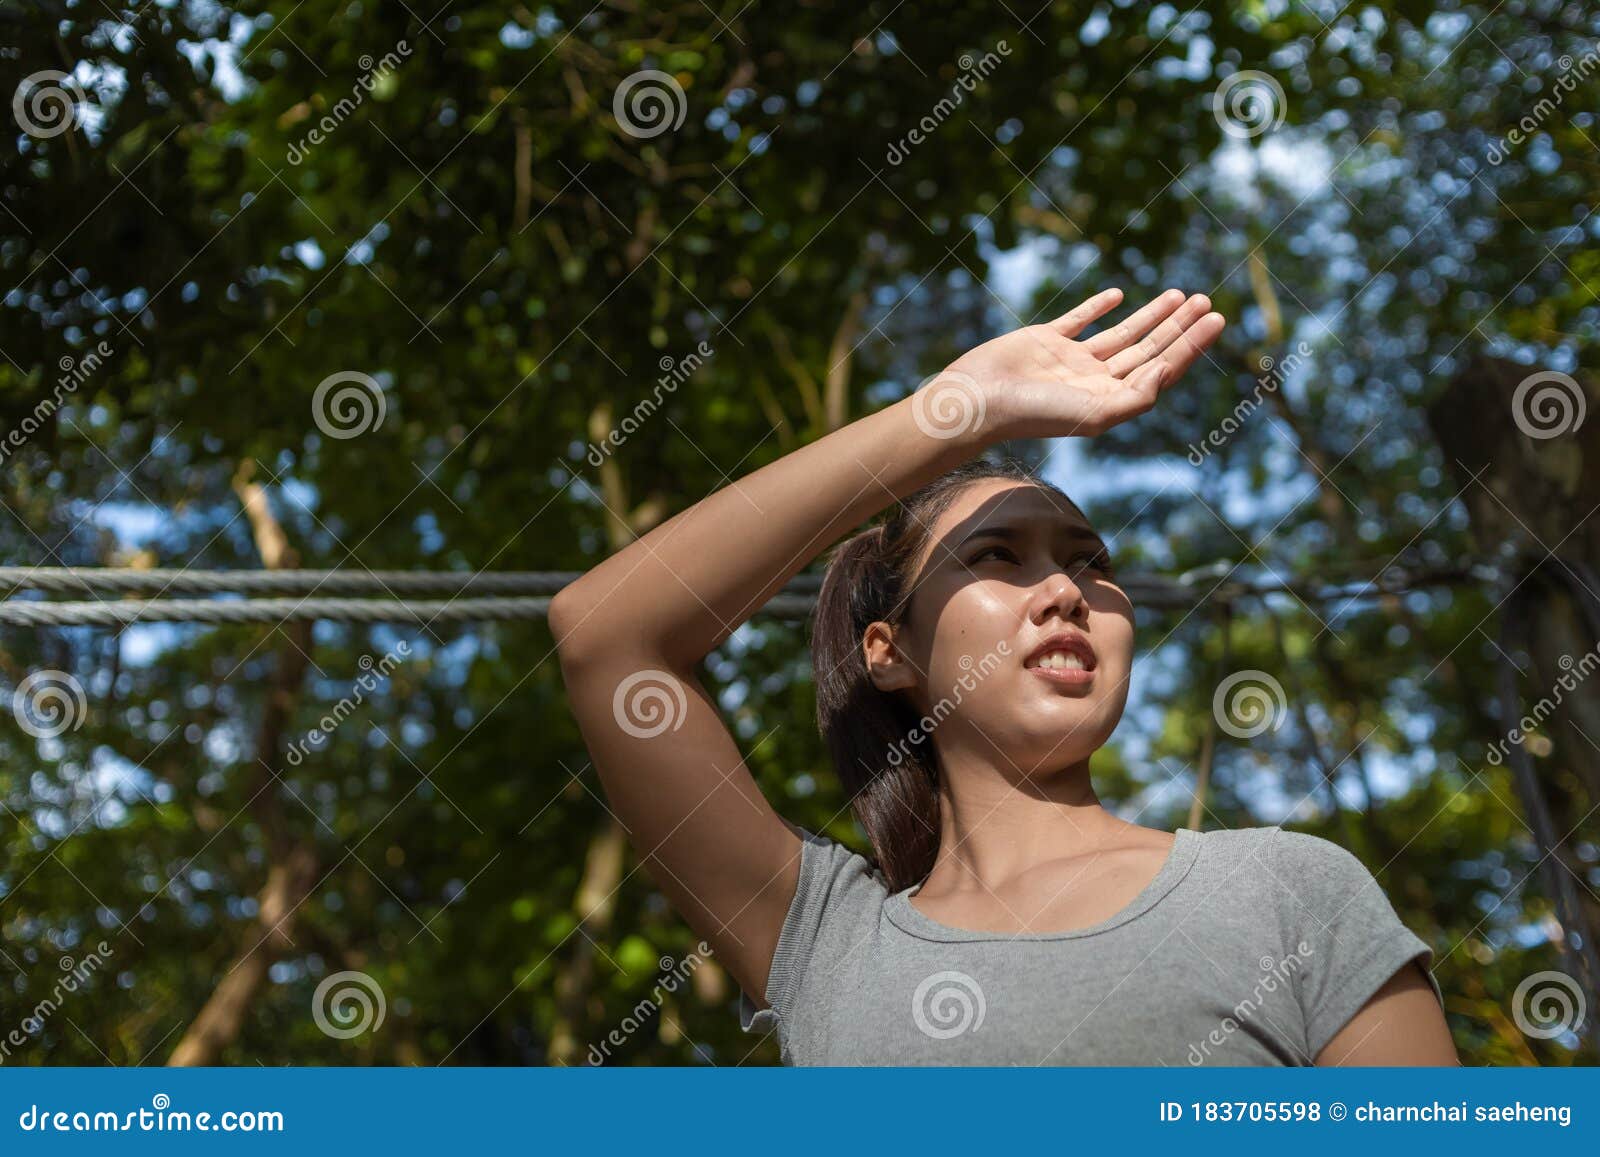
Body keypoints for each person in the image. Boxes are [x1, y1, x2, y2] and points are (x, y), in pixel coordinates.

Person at [549, 287, 1457, 1066]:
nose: (1065, 589)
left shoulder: (1288, 888)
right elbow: (607, 634)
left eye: (1090, 562)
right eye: (997, 555)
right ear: (888, 648)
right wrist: (958, 409)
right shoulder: (823, 942)